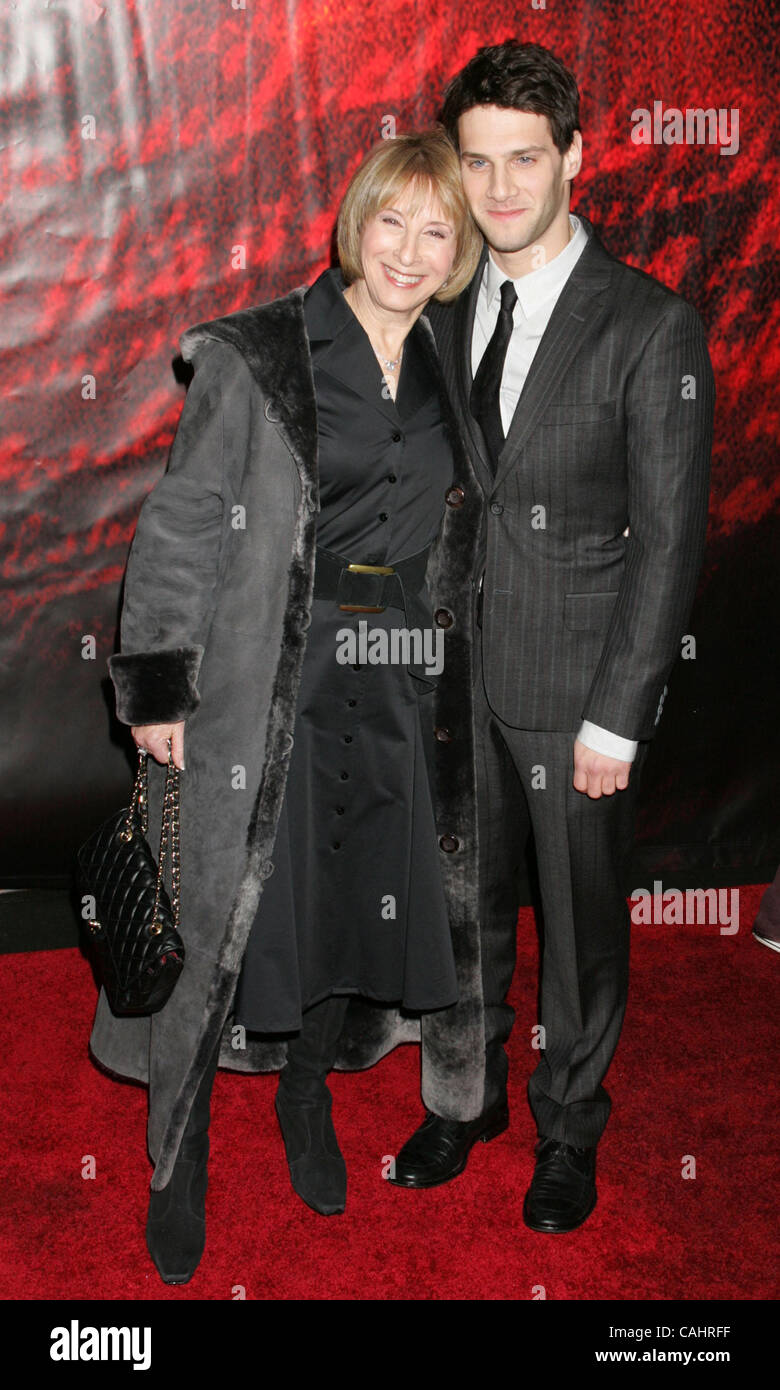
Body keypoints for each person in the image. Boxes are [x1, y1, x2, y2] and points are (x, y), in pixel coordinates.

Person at [89, 129, 483, 1283]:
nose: (409, 251)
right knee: (221, 932)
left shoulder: (454, 360)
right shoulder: (264, 355)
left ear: (459, 252)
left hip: (399, 691)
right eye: (391, 222)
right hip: (267, 697)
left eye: (437, 231)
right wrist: (157, 682)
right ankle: (182, 1149)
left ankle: (306, 1097)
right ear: (355, 220)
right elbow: (181, 520)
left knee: (347, 916)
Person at [390, 41, 715, 1233]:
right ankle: (463, 1098)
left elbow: (672, 542)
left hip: (574, 684)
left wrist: (619, 710)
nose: (501, 189)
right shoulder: (442, 298)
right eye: (478, 162)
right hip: (448, 677)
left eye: (526, 159)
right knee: (455, 900)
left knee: (578, 927)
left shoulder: (651, 325)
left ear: (576, 157)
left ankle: (569, 1127)